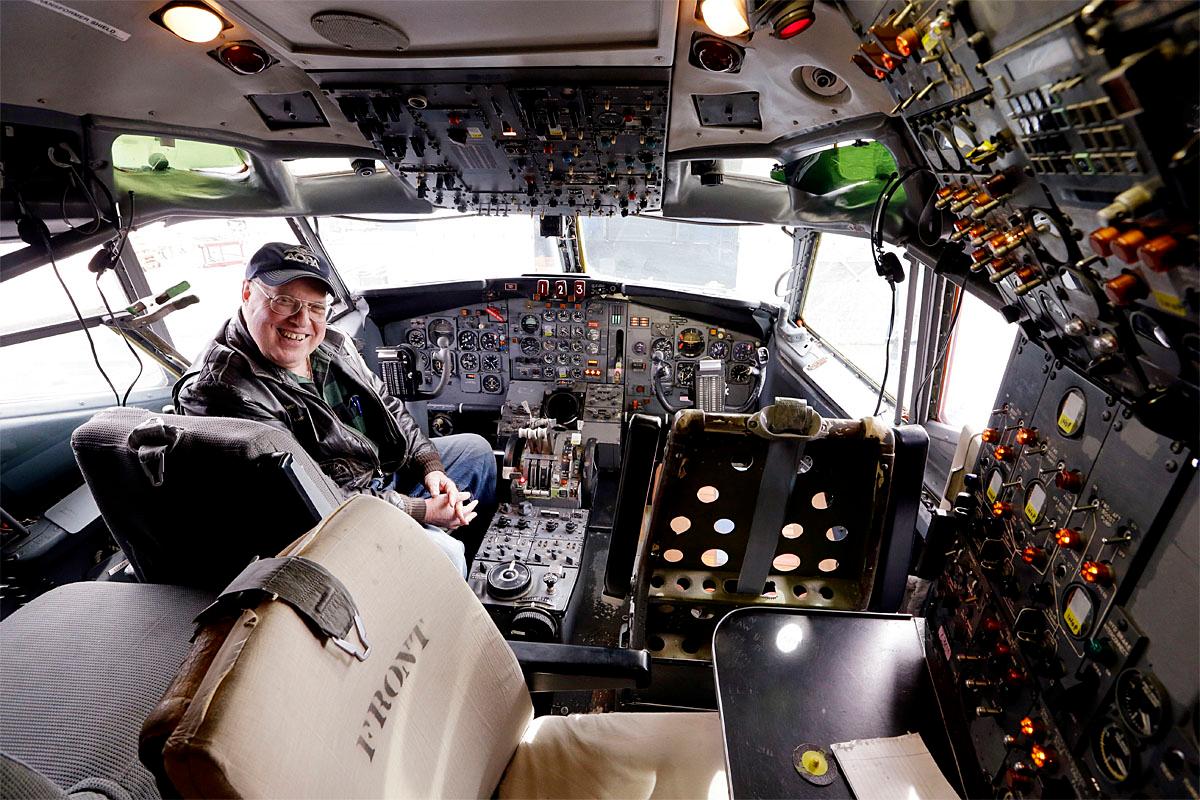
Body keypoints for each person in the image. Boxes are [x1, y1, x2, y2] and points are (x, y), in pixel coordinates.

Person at [174, 242, 495, 576]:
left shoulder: (333, 344)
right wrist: (422, 510)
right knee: (447, 552)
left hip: (373, 478)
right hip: (324, 523)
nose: (302, 320)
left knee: (475, 451)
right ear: (246, 293)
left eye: (316, 307)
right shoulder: (223, 392)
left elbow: (391, 409)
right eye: (285, 301)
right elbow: (311, 497)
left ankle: (466, 572)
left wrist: (431, 469)